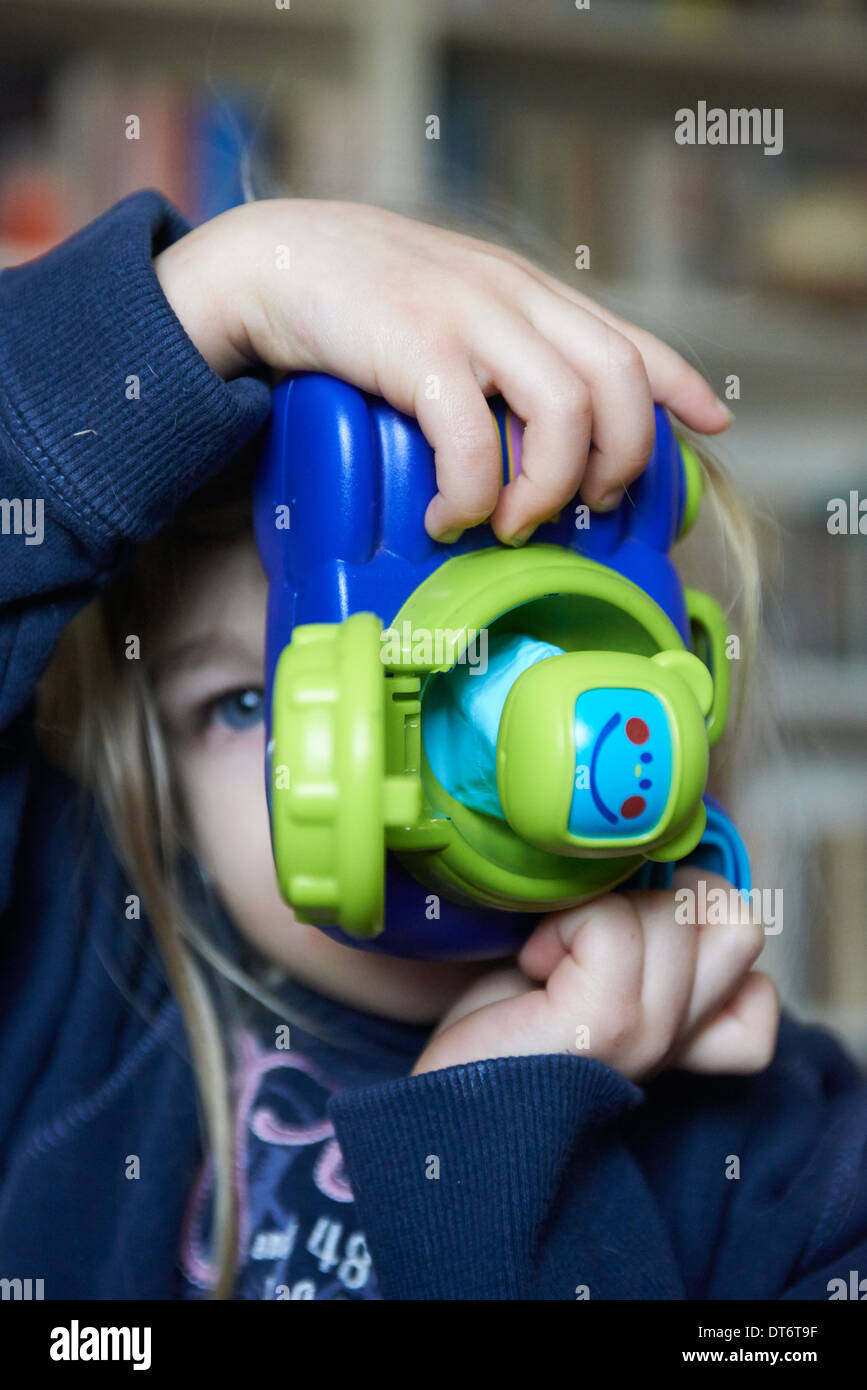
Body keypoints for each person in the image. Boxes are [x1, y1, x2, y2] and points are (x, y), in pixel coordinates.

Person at [0, 191, 863, 1300]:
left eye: (501, 648)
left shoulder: (784, 1162)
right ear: (151, 771)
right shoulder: (74, 983)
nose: (371, 758)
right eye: (247, 705)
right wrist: (220, 292)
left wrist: (499, 1144)